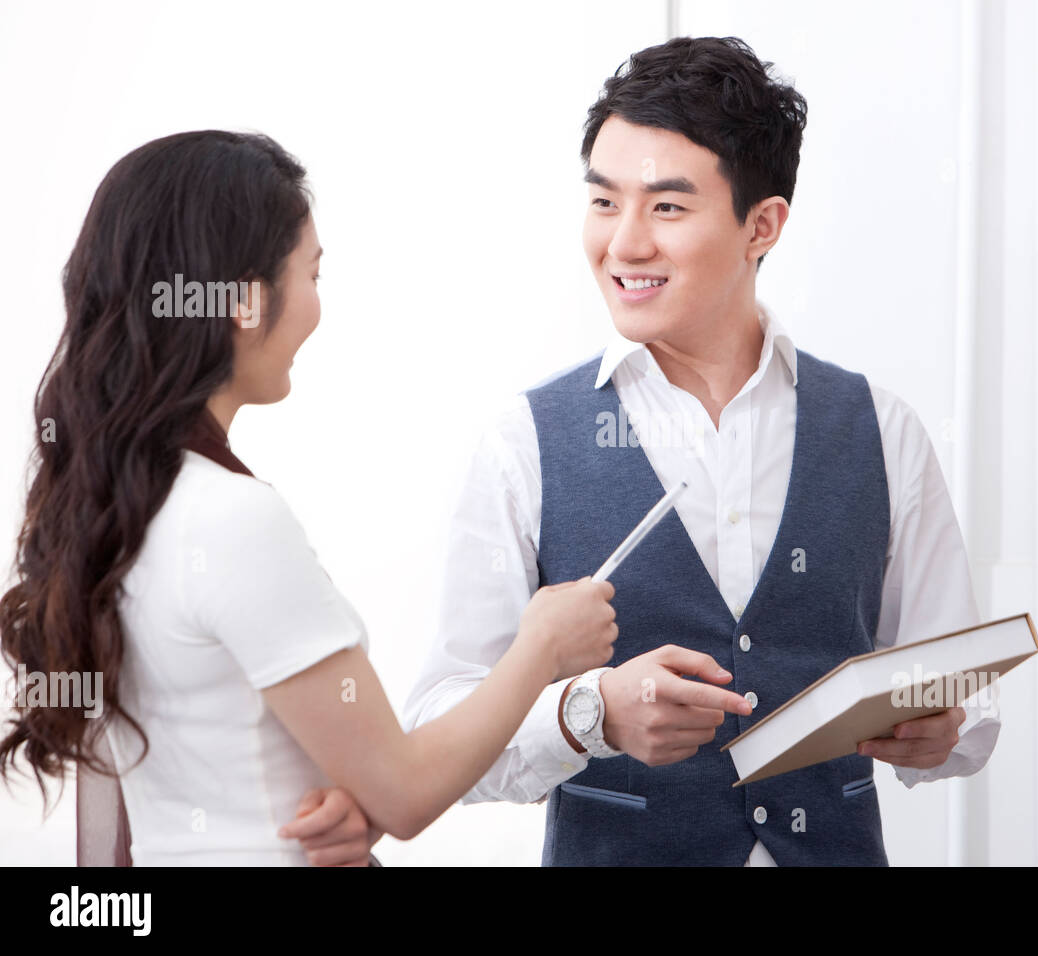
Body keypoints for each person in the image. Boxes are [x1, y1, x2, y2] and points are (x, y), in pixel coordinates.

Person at [381, 37, 1002, 866]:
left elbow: (962, 688)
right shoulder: (525, 441)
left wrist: (944, 727)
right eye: (604, 202)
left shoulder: (881, 430)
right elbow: (439, 730)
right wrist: (592, 712)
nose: (624, 245)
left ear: (763, 225)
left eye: (667, 208)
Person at [0, 130, 619, 865]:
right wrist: (542, 645)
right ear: (242, 300)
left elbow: (134, 815)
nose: (317, 309)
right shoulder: (231, 519)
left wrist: (352, 796)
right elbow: (407, 792)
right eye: (312, 274)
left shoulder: (112, 507)